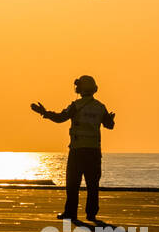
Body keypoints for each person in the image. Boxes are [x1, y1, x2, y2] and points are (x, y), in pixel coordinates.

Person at [31, 75, 116, 221]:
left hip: (77, 151)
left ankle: (71, 213)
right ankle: (91, 214)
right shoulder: (100, 107)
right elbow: (109, 125)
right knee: (93, 185)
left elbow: (60, 118)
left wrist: (44, 113)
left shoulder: (76, 106)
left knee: (72, 184)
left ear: (80, 88)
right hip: (94, 152)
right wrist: (111, 119)